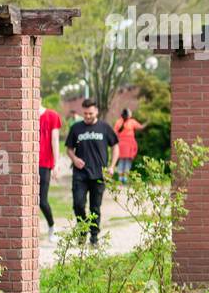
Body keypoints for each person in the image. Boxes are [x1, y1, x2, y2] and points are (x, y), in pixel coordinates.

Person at [64, 100, 118, 246]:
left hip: (99, 175)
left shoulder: (104, 127)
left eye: (90, 113)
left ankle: (94, 238)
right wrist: (74, 159)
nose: (87, 116)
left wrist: (112, 166)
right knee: (78, 204)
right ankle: (82, 232)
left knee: (95, 208)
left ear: (97, 112)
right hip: (80, 174)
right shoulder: (76, 128)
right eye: (85, 113)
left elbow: (115, 146)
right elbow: (69, 148)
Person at [38, 98, 62, 242]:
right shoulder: (25, 116)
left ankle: (51, 226)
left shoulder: (52, 116)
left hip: (44, 163)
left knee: (42, 200)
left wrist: (56, 164)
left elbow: (55, 140)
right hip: (28, 164)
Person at [113, 108, 143, 184]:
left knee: (121, 161)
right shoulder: (132, 122)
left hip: (121, 144)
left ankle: (120, 178)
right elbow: (140, 127)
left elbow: (115, 132)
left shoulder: (118, 121)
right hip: (129, 144)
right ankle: (125, 178)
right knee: (127, 162)